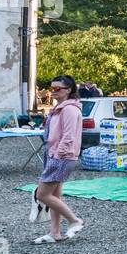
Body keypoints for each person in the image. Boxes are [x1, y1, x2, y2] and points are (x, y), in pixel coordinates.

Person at [31, 75, 85, 244]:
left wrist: (57, 155)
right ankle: (55, 233)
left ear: (68, 90)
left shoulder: (69, 109)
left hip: (61, 156)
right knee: (55, 194)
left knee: (42, 194)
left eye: (57, 88)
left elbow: (68, 136)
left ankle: (74, 220)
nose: (53, 91)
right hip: (56, 154)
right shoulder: (61, 108)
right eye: (51, 88)